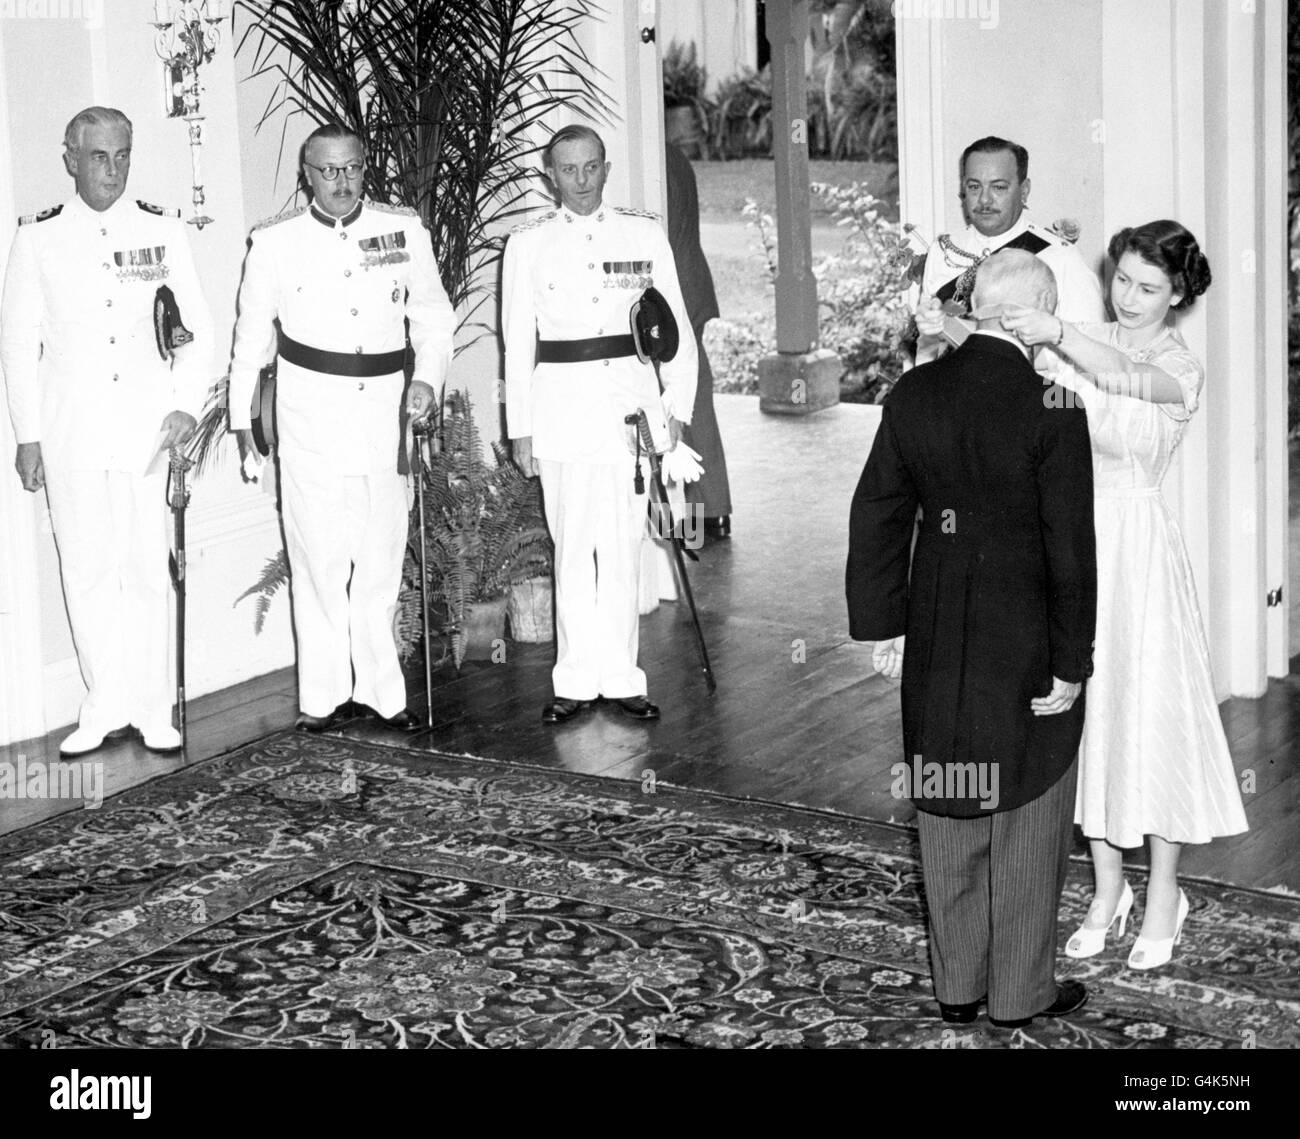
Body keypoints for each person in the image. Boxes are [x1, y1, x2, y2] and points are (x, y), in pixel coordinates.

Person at [847, 249, 1097, 1028]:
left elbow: (878, 515)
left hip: (938, 625)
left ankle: (957, 987)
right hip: (1023, 634)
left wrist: (885, 624)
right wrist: (1071, 660)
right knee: (1028, 801)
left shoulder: (914, 393)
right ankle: (1020, 994)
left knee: (951, 787)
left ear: (977, 306)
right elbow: (1070, 548)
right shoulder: (1054, 404)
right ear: (1037, 317)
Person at [1001, 220, 1248, 970]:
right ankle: (1108, 889)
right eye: (1123, 280)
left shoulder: (1178, 367)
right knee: (1093, 716)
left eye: (1150, 287)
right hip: (1074, 544)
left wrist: (1059, 334)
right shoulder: (1074, 336)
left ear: (1178, 295)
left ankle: (1166, 889)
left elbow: (1120, 375)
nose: (1131, 297)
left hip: (1140, 548)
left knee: (1152, 716)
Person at [227, 123, 455, 733]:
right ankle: (325, 697)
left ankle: (384, 694)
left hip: (386, 417)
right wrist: (243, 420)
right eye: (328, 171)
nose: (341, 182)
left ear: (363, 167)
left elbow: (434, 318)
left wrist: (428, 378)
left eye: (352, 168)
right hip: (311, 420)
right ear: (307, 175)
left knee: (380, 560)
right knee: (318, 559)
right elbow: (251, 338)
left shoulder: (403, 231)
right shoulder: (274, 244)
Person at [0, 106, 211, 756]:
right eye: (98, 157)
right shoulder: (38, 239)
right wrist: (28, 436)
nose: (113, 170)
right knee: (87, 569)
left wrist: (184, 404)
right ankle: (103, 703)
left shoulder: (163, 229)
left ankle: (152, 706)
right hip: (74, 433)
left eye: (123, 155)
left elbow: (193, 332)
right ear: (70, 158)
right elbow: (17, 343)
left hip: (149, 430)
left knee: (149, 567)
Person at [503, 125, 697, 723]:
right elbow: (518, 342)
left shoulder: (643, 234)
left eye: (591, 168)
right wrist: (521, 429)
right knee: (571, 547)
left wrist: (676, 416)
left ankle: (621, 676)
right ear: (549, 175)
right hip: (560, 414)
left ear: (606, 169)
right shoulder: (527, 245)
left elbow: (676, 333)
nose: (581, 181)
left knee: (621, 547)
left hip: (628, 415)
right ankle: (574, 681)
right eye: (568, 169)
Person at [912, 136, 1105, 364]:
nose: (984, 199)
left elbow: (1090, 353)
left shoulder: (1061, 258)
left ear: (1024, 191)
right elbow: (928, 347)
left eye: (999, 187)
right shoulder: (943, 250)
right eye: (974, 187)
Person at [665, 142, 731, 538]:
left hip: (677, 291)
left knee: (685, 398)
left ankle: (703, 511)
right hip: (691, 282)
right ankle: (711, 508)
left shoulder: (657, 160)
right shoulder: (674, 155)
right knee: (694, 394)